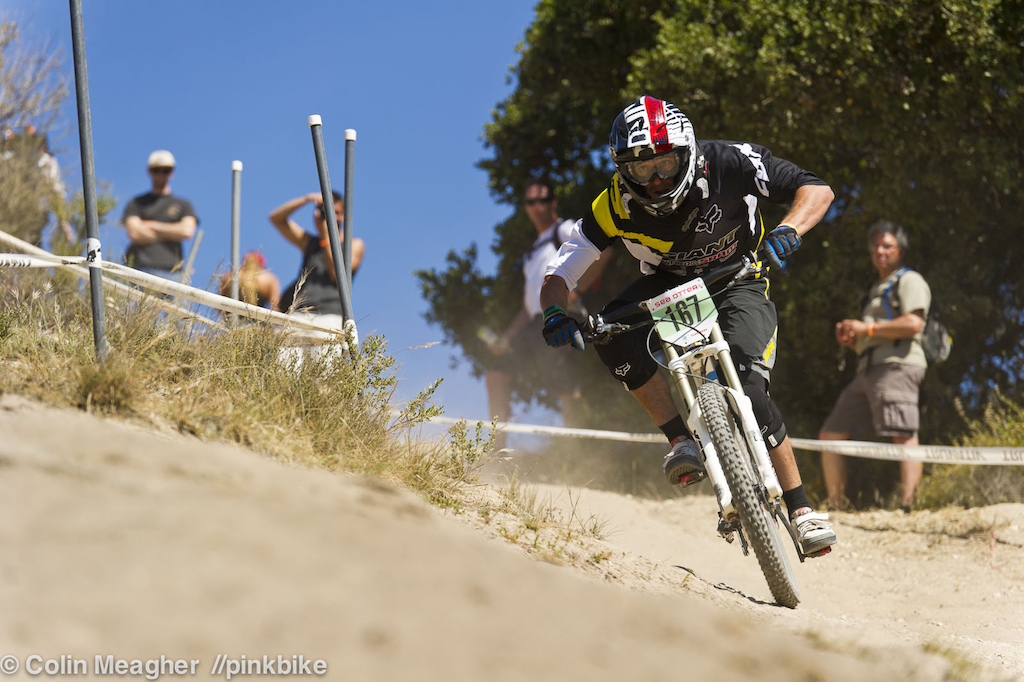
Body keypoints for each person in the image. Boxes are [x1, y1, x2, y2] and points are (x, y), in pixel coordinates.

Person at [539, 95, 837, 556]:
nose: (656, 180)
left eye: (664, 165)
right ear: (622, 170)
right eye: (641, 171)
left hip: (738, 277)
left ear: (688, 152)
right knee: (607, 335)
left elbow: (816, 189)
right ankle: (680, 439)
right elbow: (560, 273)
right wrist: (555, 312)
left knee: (751, 390)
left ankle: (801, 510)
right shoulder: (613, 204)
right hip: (668, 285)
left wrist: (790, 229)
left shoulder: (730, 162)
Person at [481, 178, 611, 450]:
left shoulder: (563, 229)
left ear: (553, 203)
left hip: (561, 316)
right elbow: (528, 306)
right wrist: (507, 336)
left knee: (566, 387)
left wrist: (575, 292)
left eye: (542, 200)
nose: (537, 206)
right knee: (496, 374)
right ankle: (496, 450)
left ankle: (575, 455)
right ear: (526, 208)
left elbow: (605, 251)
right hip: (532, 325)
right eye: (531, 201)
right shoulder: (532, 252)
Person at [819, 220, 931, 512]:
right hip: (868, 371)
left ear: (901, 250)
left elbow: (913, 323)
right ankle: (836, 507)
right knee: (830, 435)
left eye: (887, 246)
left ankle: (909, 509)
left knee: (903, 434)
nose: (879, 251)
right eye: (875, 246)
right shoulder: (875, 289)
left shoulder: (910, 280)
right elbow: (875, 333)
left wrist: (865, 329)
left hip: (897, 366)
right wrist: (852, 338)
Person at [268, 191, 364, 365]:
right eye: (323, 211)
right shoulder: (310, 243)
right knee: (284, 374)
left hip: (330, 317)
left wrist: (326, 237)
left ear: (342, 215)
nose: (327, 217)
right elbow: (276, 219)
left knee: (324, 379)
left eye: (332, 212)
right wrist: (305, 199)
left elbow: (336, 274)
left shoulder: (354, 245)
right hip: (299, 314)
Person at [122, 150, 198, 282]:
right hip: (141, 271)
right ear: (150, 171)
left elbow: (186, 231)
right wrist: (172, 233)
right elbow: (134, 232)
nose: (161, 174)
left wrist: (151, 225)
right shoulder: (136, 203)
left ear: (172, 172)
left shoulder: (184, 205)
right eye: (157, 170)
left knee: (172, 304)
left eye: (166, 170)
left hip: (173, 273)